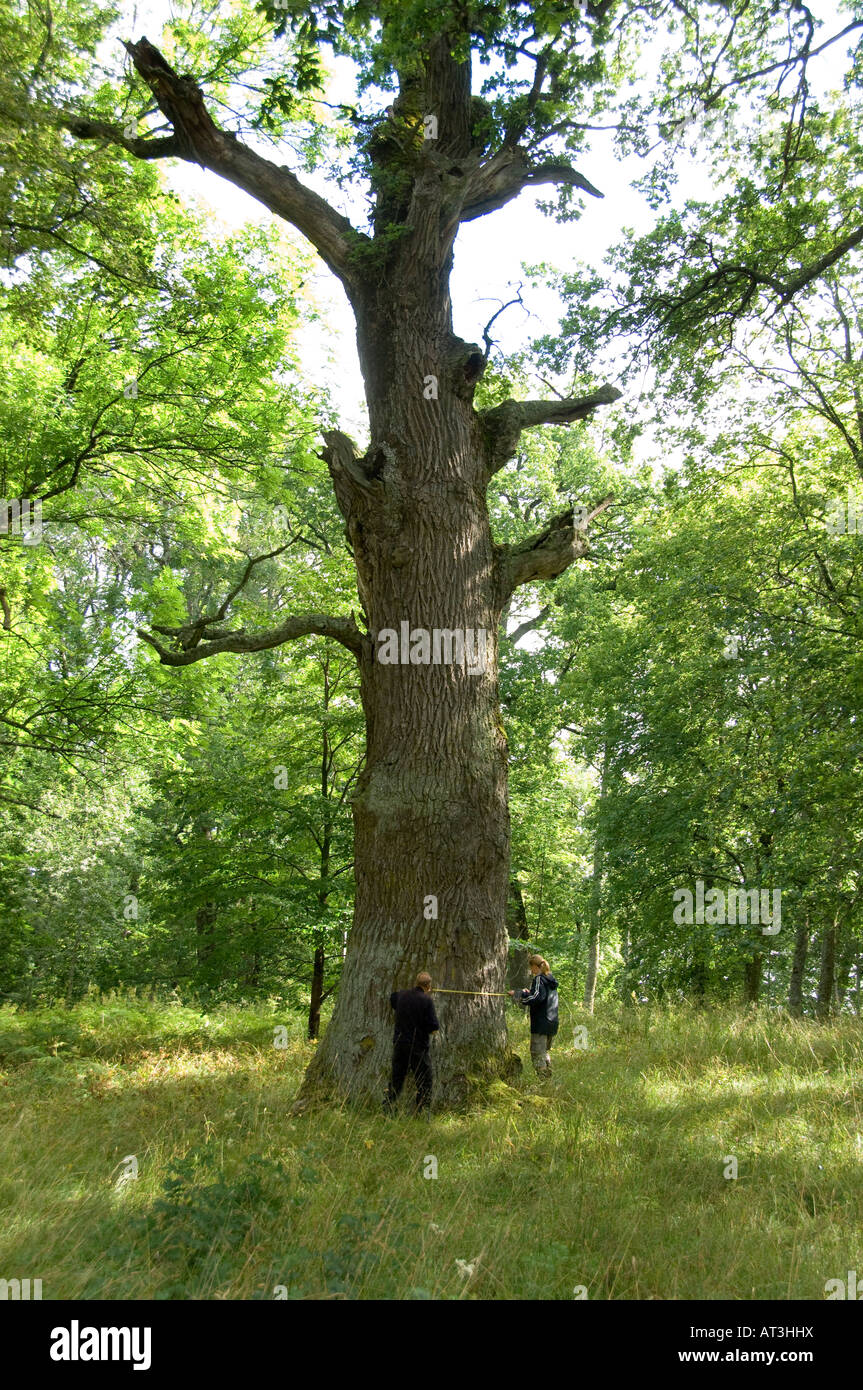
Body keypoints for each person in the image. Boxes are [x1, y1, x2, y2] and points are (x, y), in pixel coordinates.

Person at [384, 971, 440, 1117]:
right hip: (418, 1047)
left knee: (397, 1078)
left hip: (400, 1044)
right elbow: (434, 1027)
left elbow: (393, 998)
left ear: (416, 983)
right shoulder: (427, 1001)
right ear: (428, 985)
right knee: (424, 1079)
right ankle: (421, 1111)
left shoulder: (401, 995)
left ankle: (388, 1108)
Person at [509, 954, 559, 1078]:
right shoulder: (550, 979)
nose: (531, 971)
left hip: (541, 1023)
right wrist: (528, 992)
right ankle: (548, 1081)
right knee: (544, 1053)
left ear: (535, 967)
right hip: (551, 1022)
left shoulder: (539, 979)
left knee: (537, 1053)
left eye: (531, 968)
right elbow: (540, 995)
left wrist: (519, 994)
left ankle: (543, 1080)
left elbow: (536, 997)